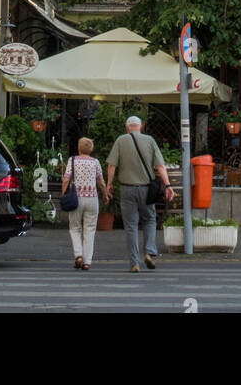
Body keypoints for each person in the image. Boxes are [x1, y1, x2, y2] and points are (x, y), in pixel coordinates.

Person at [106, 115, 174, 272]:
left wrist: (109, 184)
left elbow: (111, 166)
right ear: (140, 126)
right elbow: (160, 166)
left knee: (131, 226)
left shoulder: (120, 140)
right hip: (146, 189)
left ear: (127, 127)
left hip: (126, 188)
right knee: (150, 219)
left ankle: (134, 263)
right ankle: (149, 251)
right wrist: (168, 185)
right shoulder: (150, 140)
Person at [61, 136, 108, 270]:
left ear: (78, 148)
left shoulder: (73, 160)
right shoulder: (95, 162)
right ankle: (87, 261)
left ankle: (78, 255)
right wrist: (105, 195)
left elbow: (66, 179)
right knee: (90, 229)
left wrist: (64, 193)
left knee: (75, 227)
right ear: (91, 149)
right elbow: (101, 181)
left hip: (76, 198)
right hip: (92, 199)